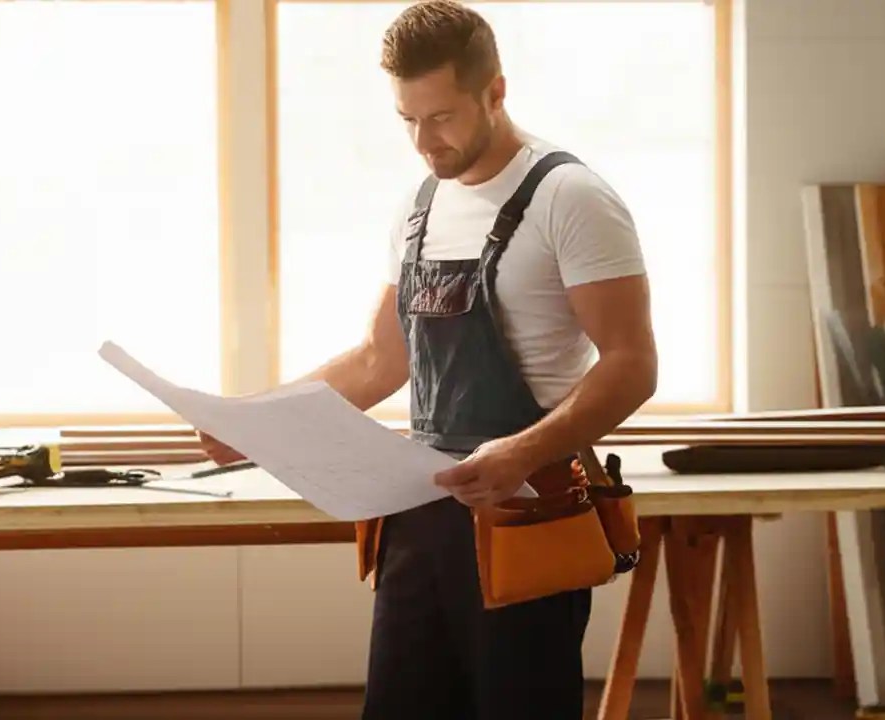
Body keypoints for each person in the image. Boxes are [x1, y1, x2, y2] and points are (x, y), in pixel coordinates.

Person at [201, 1, 658, 716]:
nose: (423, 140)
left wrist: (520, 452)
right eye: (407, 119)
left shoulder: (569, 198)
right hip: (416, 516)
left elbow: (632, 362)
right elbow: (380, 359)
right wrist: (256, 424)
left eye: (440, 117)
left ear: (495, 92)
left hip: (527, 512)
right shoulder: (420, 204)